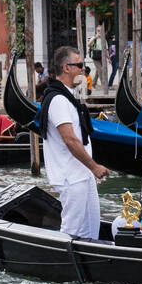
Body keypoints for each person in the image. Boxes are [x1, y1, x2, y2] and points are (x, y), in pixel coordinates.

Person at [36, 46, 109, 239]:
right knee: (73, 230)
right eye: (80, 65)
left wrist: (89, 171)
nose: (84, 69)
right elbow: (70, 139)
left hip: (82, 174)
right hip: (71, 176)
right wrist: (94, 167)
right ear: (66, 68)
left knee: (91, 227)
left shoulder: (68, 97)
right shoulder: (58, 100)